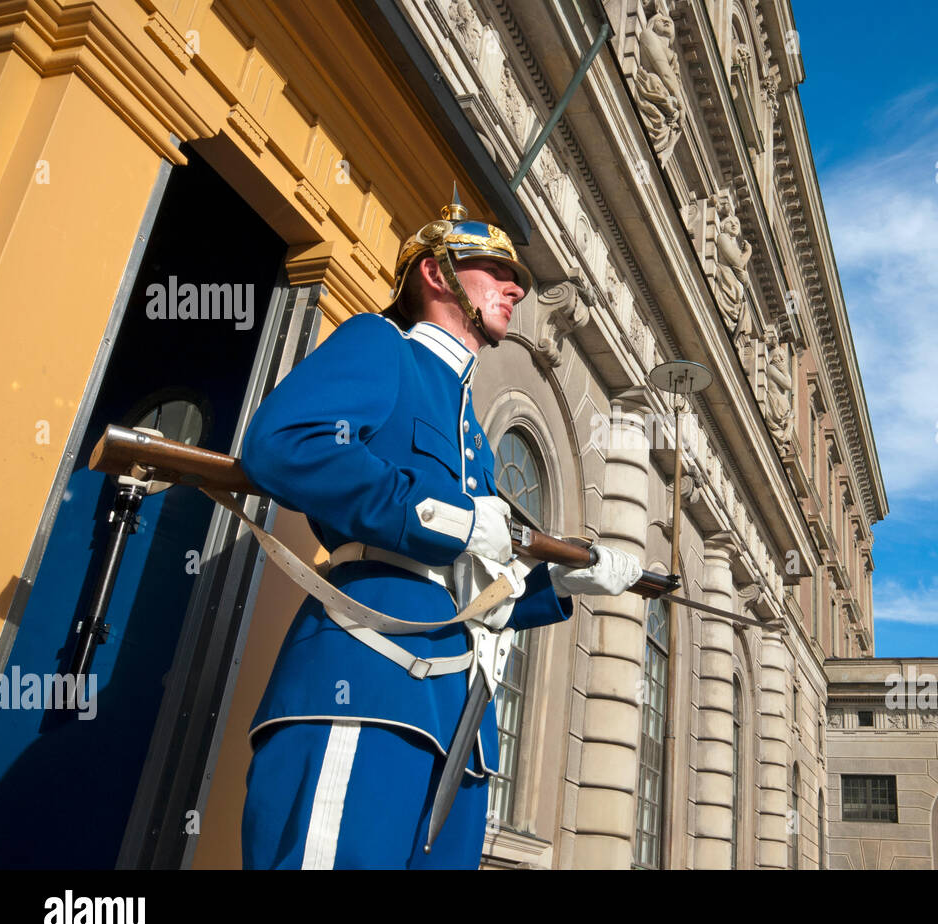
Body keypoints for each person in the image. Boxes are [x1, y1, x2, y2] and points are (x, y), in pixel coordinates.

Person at [239, 193, 640, 869]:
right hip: (368, 682)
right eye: (493, 269)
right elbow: (283, 444)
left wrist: (560, 581)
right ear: (435, 273)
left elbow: (475, 580)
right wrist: (442, 518)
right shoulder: (381, 347)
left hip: (460, 723)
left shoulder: (476, 437)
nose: (514, 287)